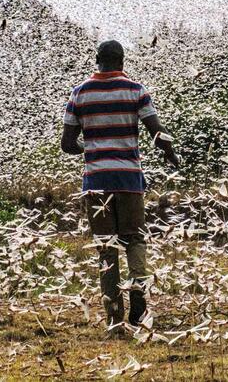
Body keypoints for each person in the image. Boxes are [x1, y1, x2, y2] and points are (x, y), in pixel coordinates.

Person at [60, 40, 180, 332]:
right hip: (128, 179)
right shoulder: (136, 90)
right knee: (135, 240)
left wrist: (91, 147)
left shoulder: (79, 93)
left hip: (96, 183)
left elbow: (67, 144)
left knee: (107, 248)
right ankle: (138, 306)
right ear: (122, 61)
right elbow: (157, 132)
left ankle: (114, 317)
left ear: (97, 59)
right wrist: (170, 153)